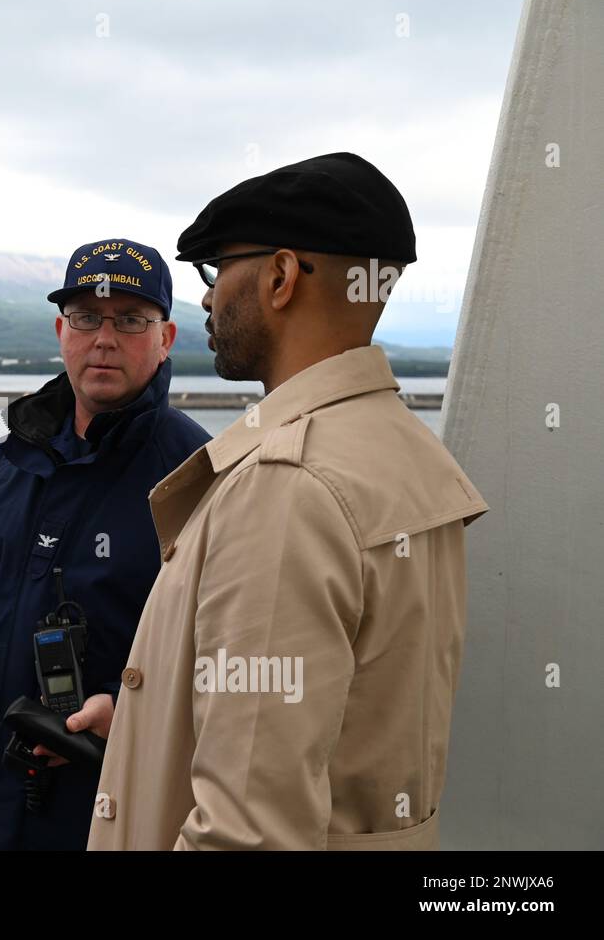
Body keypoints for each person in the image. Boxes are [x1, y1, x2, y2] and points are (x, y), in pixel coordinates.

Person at [88, 153, 489, 850]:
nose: (208, 299)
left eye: (218, 270)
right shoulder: (406, 452)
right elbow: (356, 720)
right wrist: (153, 728)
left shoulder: (286, 485)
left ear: (278, 277)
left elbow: (250, 833)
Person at [0, 239, 210, 850]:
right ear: (61, 330)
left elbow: (226, 655)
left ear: (166, 338)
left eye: (130, 320)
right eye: (86, 318)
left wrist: (129, 715)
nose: (104, 338)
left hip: (120, 819)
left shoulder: (197, 478)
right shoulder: (7, 463)